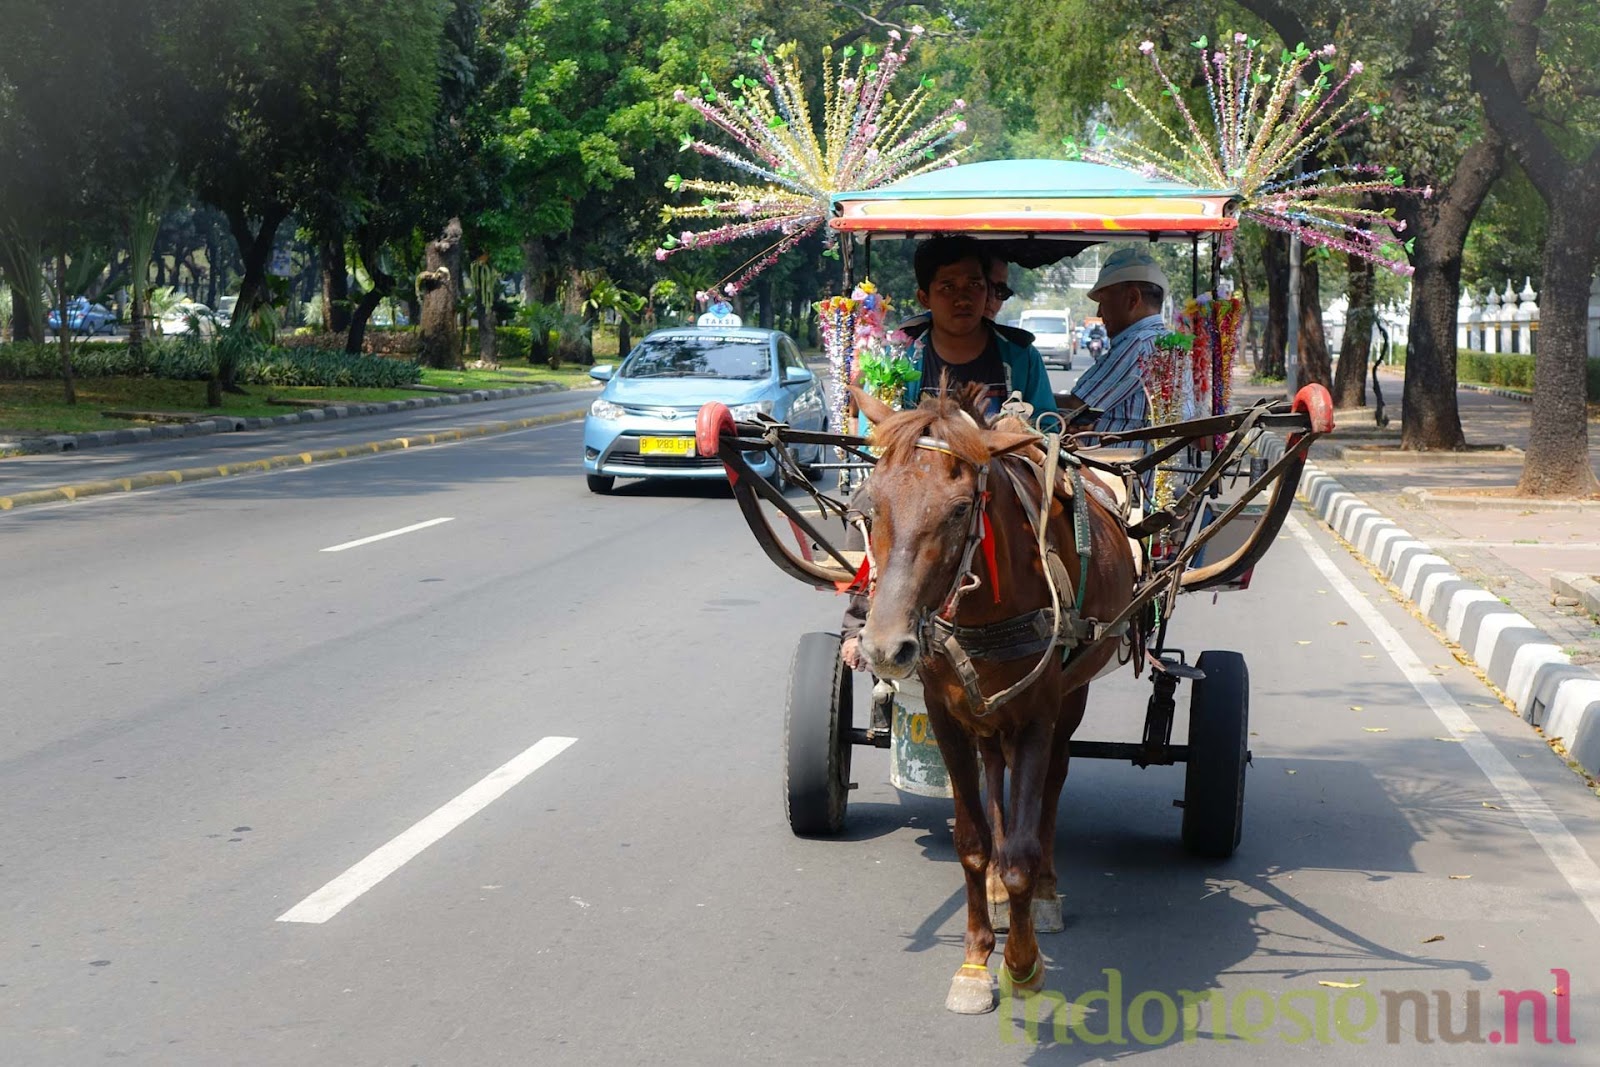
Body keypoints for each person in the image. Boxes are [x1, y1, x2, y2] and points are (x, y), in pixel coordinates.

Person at [840, 237, 1057, 672]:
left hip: (1000, 480)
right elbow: (879, 433)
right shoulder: (898, 352)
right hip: (917, 481)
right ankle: (859, 622)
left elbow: (1046, 427)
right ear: (924, 296)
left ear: (988, 291)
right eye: (947, 287)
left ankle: (1058, 596)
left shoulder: (1020, 354)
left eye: (974, 285)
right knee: (872, 507)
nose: (963, 297)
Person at [1057, 247, 1169, 433]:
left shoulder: (1138, 344)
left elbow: (1077, 405)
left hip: (1118, 458)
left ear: (1133, 299)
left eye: (1103, 302)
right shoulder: (1162, 340)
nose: (1099, 313)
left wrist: (1030, 396)